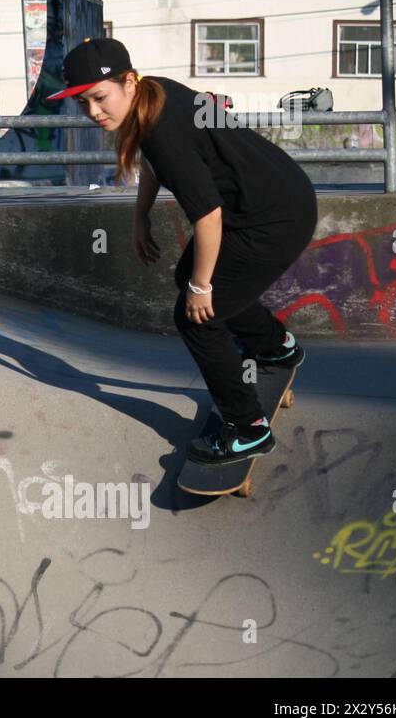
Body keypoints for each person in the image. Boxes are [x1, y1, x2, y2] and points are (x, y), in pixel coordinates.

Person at [46, 37, 317, 464]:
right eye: (83, 105)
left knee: (195, 316)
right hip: (275, 194)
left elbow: (208, 216)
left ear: (128, 82)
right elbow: (153, 165)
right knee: (189, 282)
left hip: (270, 219)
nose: (94, 113)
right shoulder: (155, 93)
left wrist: (202, 286)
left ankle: (248, 429)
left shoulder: (162, 131)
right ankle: (273, 346)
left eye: (99, 98)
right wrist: (141, 216)